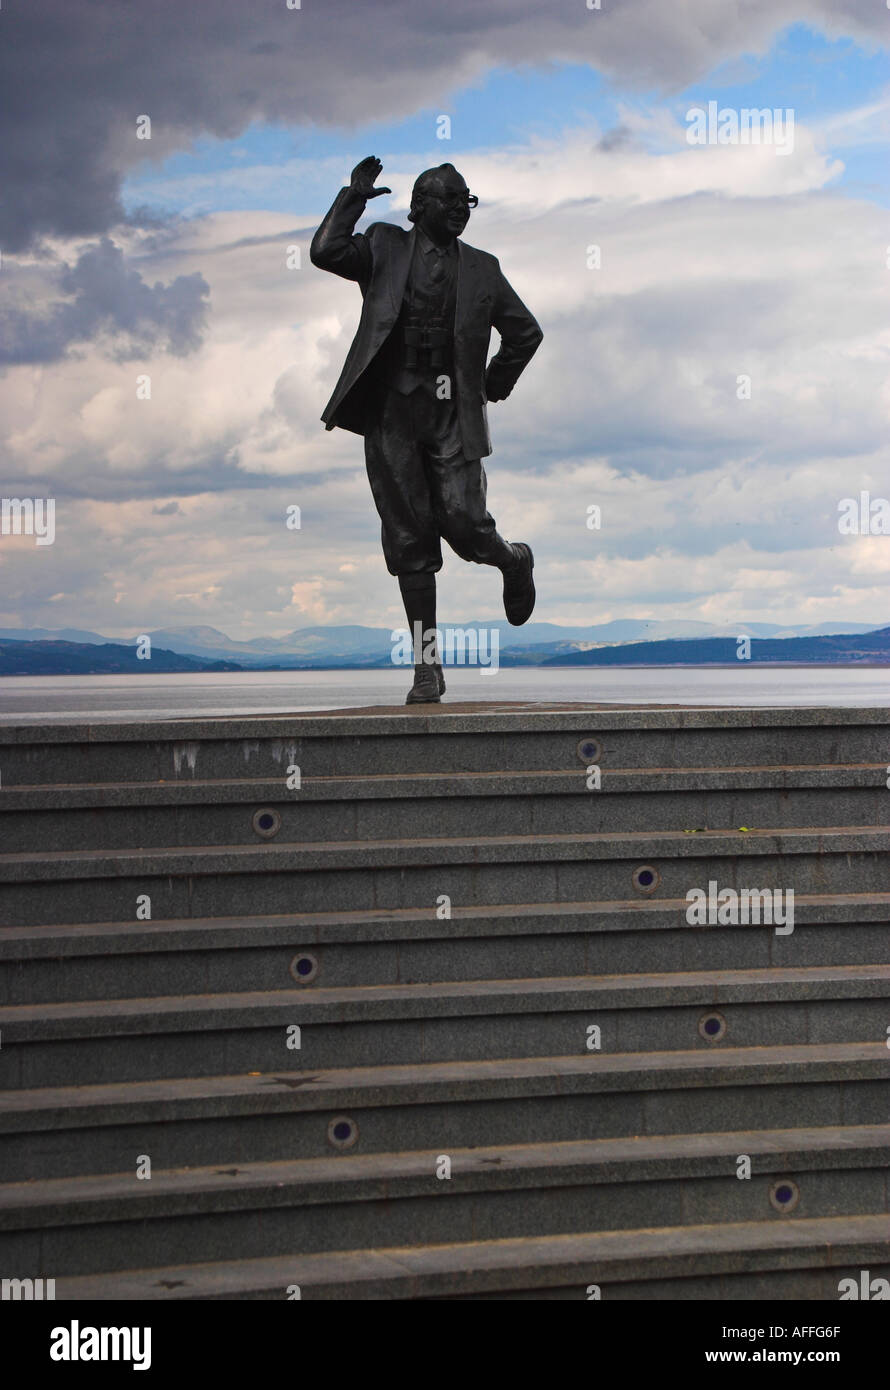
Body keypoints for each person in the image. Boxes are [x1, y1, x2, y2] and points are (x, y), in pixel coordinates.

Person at [311, 155, 543, 702]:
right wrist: (352, 198)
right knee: (409, 540)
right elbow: (325, 252)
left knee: (465, 524)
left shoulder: (483, 268)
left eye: (468, 200)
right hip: (392, 412)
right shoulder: (386, 247)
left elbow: (525, 333)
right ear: (420, 207)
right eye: (452, 200)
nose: (462, 209)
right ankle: (427, 666)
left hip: (450, 415)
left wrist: (492, 385)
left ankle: (514, 559)